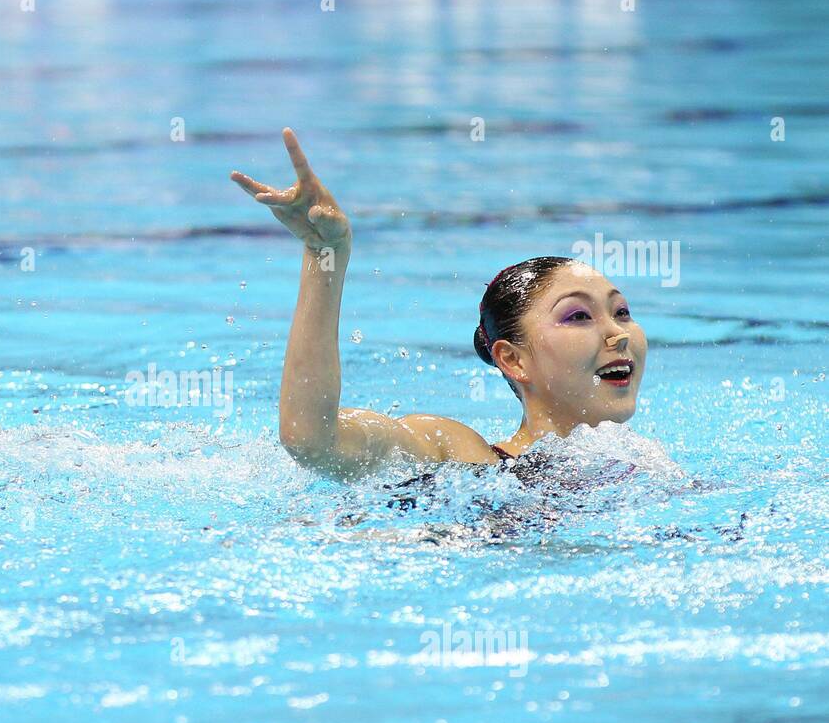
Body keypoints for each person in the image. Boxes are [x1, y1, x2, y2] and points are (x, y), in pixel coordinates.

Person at [231, 128, 647, 480]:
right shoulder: (463, 455)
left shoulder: (650, 470)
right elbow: (313, 438)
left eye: (622, 312)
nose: (617, 334)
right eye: (578, 316)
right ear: (514, 360)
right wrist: (325, 256)